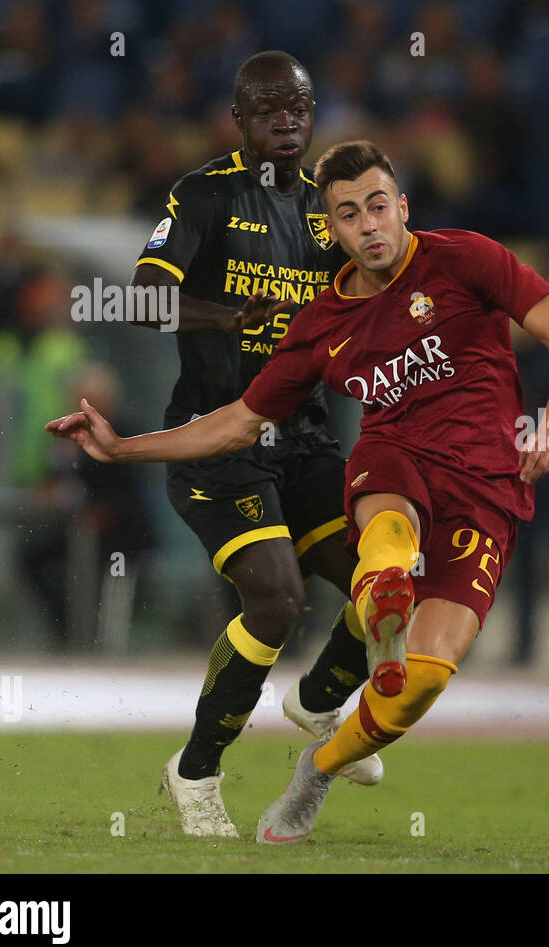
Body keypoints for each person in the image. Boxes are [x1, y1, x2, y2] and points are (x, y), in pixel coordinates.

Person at [47, 140, 549, 846]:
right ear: (331, 230)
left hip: (487, 489)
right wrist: (124, 447)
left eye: (376, 206)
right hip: (393, 460)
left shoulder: (466, 259)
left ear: (402, 208)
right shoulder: (324, 325)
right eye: (347, 214)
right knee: (383, 534)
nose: (367, 225)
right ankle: (383, 596)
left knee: (423, 681)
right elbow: (238, 423)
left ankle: (319, 767)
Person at [127, 51, 383, 839]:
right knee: (277, 598)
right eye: (268, 107)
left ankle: (316, 700)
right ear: (238, 118)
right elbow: (141, 300)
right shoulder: (202, 195)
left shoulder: (326, 209)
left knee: (386, 582)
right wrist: (218, 313)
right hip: (216, 439)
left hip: (303, 440)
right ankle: (196, 771)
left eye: (299, 106)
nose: (286, 119)